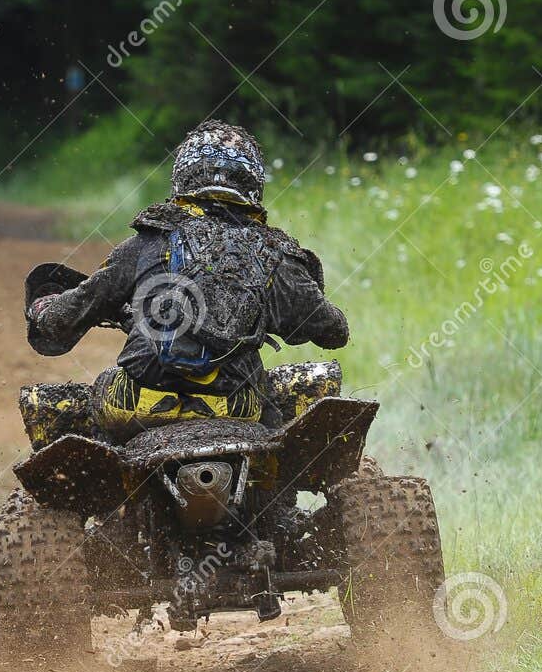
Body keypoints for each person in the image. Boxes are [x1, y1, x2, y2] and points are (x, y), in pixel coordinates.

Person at [25, 121, 347, 438]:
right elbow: (335, 333)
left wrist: (42, 309)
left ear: (183, 177)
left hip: (141, 402)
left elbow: (65, 317)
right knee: (275, 409)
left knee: (86, 407)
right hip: (233, 409)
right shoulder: (276, 254)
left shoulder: (147, 241)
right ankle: (273, 489)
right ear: (253, 185)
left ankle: (97, 484)